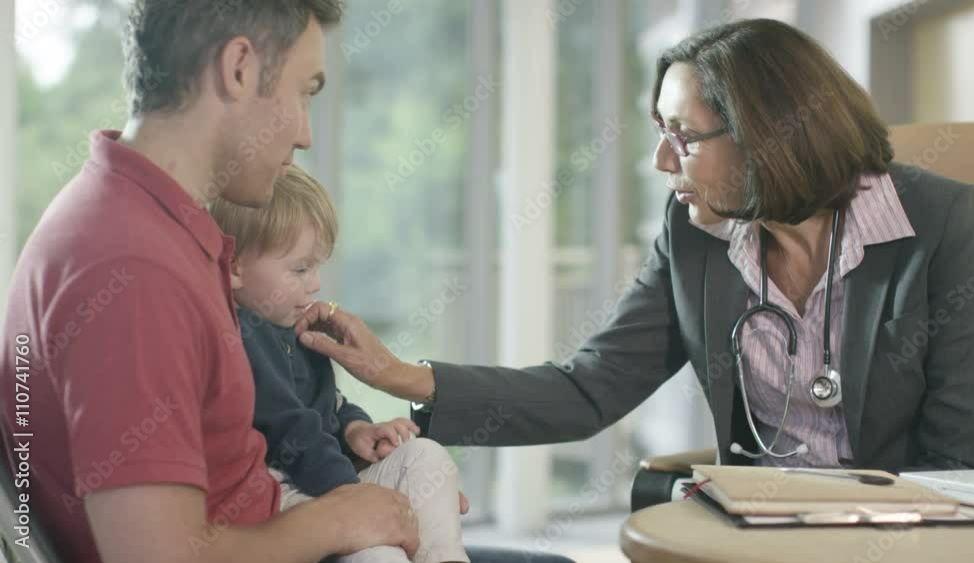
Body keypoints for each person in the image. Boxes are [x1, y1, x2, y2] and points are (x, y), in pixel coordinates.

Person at [292, 18, 974, 473]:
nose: (664, 163)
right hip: (758, 531)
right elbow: (587, 389)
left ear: (771, 132)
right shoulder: (695, 238)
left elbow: (961, 458)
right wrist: (394, 372)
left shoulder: (940, 223)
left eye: (683, 137)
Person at [0, 2, 572, 563]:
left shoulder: (144, 221)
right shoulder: (133, 268)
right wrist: (335, 519)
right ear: (240, 68)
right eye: (305, 92)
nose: (305, 134)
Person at [210, 165, 470, 563]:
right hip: (282, 498)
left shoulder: (299, 329)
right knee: (378, 551)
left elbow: (328, 403)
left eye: (317, 267)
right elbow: (290, 427)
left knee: (426, 456)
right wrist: (358, 499)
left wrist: (356, 427)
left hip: (327, 478)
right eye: (299, 269)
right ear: (235, 267)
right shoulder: (241, 334)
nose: (315, 284)